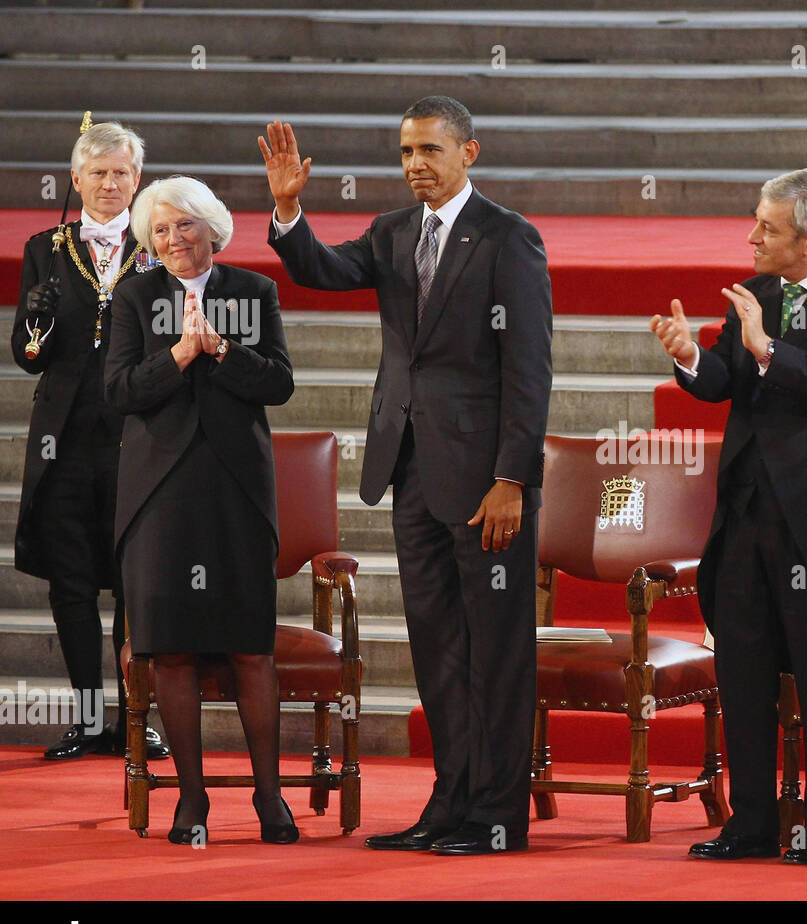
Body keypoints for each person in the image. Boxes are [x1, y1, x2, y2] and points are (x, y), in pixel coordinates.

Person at [259, 95, 553, 855]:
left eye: (429, 150)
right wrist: (289, 213)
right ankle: (449, 803)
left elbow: (529, 372)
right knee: (438, 649)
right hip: (411, 472)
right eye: (405, 154)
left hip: (488, 485)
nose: (416, 165)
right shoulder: (391, 233)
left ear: (469, 154)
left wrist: (512, 479)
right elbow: (323, 270)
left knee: (496, 650)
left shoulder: (509, 239)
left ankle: (496, 816)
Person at [650, 169, 807, 864]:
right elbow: (722, 381)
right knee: (743, 672)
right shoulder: (752, 295)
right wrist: (693, 354)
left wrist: (767, 348)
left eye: (767, 226)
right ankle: (751, 822)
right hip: (745, 514)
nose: (751, 236)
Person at [105, 176, 297, 844]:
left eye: (184, 226)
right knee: (172, 650)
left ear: (213, 229)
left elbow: (280, 382)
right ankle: (192, 799)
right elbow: (119, 389)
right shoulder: (133, 296)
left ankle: (271, 798)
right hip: (159, 495)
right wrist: (182, 352)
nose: (172, 239)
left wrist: (221, 349)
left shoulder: (255, 292)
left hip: (236, 491)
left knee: (250, 646)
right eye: (159, 231)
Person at [10, 121, 168, 761]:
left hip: (139, 437)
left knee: (137, 582)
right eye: (97, 173)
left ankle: (135, 719)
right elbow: (26, 357)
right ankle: (84, 718)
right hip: (65, 441)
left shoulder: (160, 247)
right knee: (71, 582)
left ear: (138, 181)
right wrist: (35, 320)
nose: (109, 184)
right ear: (76, 181)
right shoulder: (44, 248)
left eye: (121, 173)